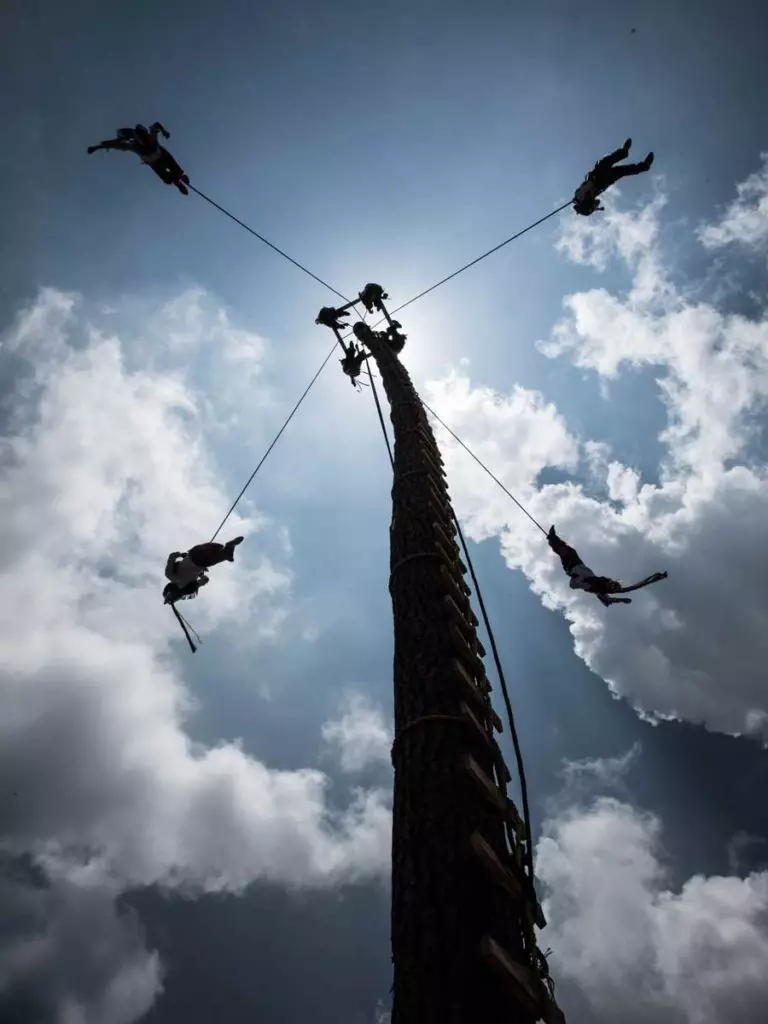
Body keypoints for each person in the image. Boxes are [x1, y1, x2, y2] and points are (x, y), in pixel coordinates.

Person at [547, 526, 667, 606]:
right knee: (567, 552)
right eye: (611, 582)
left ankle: (552, 539)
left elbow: (574, 586)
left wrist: (575, 577)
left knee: (567, 553)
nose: (609, 581)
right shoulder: (601, 586)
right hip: (578, 566)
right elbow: (634, 587)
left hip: (574, 569)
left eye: (610, 583)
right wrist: (622, 600)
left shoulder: (598, 588)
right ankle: (553, 539)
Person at [87, 122, 190, 195]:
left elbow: (155, 126)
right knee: (167, 171)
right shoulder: (134, 143)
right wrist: (97, 147)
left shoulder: (141, 140)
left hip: (156, 156)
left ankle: (177, 177)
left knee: (168, 169)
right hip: (155, 157)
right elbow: (114, 144)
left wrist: (164, 131)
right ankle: (177, 178)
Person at [573, 139, 654, 216]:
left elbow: (593, 199)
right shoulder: (584, 202)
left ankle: (625, 153)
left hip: (598, 176)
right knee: (619, 170)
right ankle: (641, 165)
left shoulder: (580, 196)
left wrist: (584, 201)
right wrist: (592, 205)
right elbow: (596, 202)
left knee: (610, 163)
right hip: (601, 180)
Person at [163, 537, 243, 604]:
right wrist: (180, 554)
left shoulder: (188, 587)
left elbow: (205, 580)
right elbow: (172, 556)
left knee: (218, 556)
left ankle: (228, 551)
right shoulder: (172, 577)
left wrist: (200, 574)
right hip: (196, 554)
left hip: (200, 560)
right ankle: (228, 551)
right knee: (218, 553)